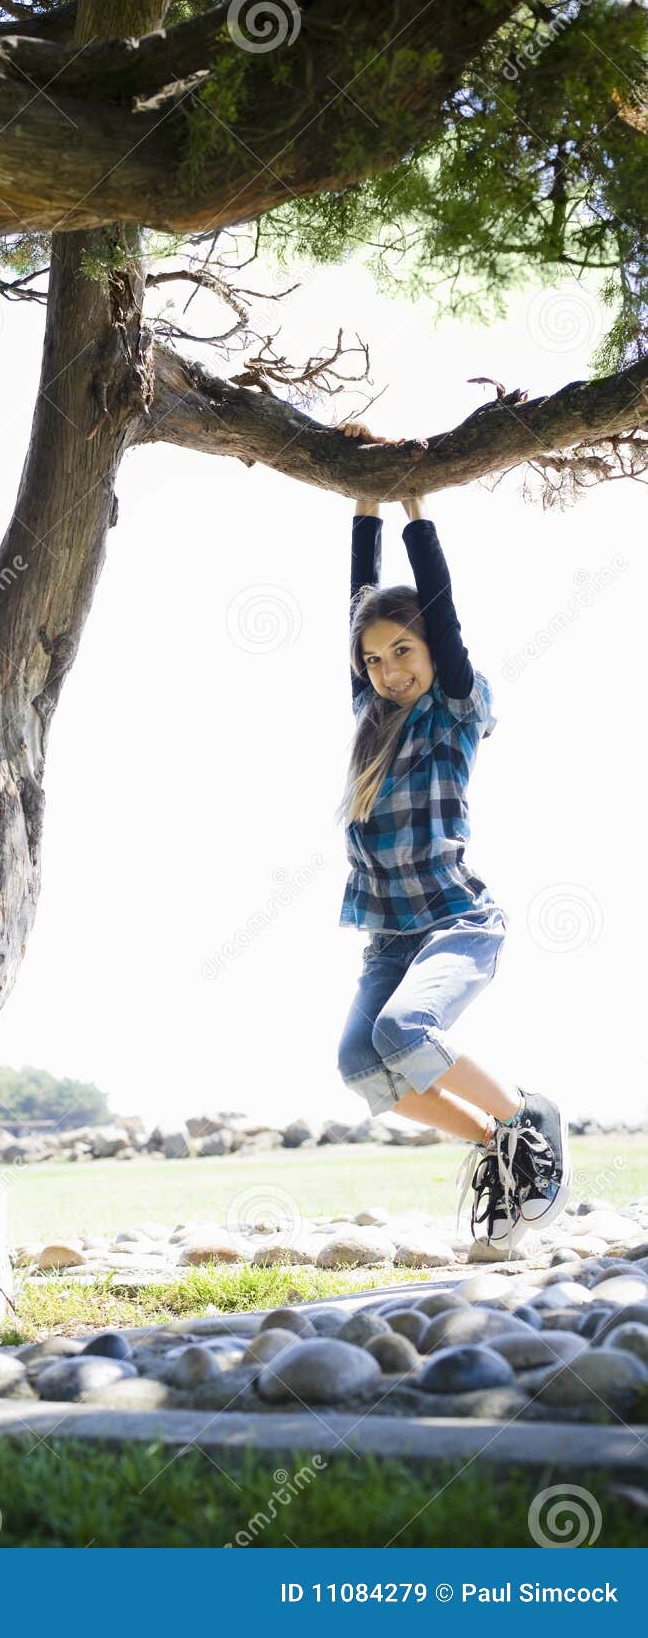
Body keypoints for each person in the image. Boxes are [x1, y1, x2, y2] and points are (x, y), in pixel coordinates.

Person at [333, 488, 570, 1250]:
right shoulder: (369, 717)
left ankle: (526, 1123)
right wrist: (361, 508)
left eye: (403, 651)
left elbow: (444, 613)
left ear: (431, 648)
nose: (388, 669)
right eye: (373, 660)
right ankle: (496, 1146)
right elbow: (356, 602)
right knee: (359, 1061)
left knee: (404, 1029)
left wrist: (414, 515)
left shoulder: (453, 710)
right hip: (389, 939)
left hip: (455, 923)